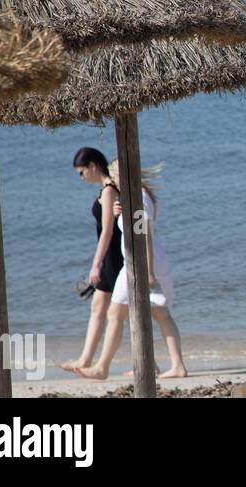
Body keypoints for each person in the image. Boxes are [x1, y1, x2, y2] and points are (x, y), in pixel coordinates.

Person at [75, 161, 186, 379]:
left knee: (147, 313)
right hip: (137, 262)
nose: (113, 182)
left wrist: (148, 270)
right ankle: (159, 365)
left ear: (124, 175)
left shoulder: (139, 196)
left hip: (142, 263)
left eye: (115, 177)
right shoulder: (135, 197)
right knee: (139, 313)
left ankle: (104, 367)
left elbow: (143, 234)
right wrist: (121, 212)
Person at [59, 147, 125, 373]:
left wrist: (95, 264)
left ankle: (148, 364)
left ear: (93, 166)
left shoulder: (108, 191)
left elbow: (107, 231)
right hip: (109, 255)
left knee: (122, 310)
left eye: (81, 172)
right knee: (99, 306)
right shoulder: (105, 191)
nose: (81, 177)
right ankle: (85, 360)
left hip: (114, 256)